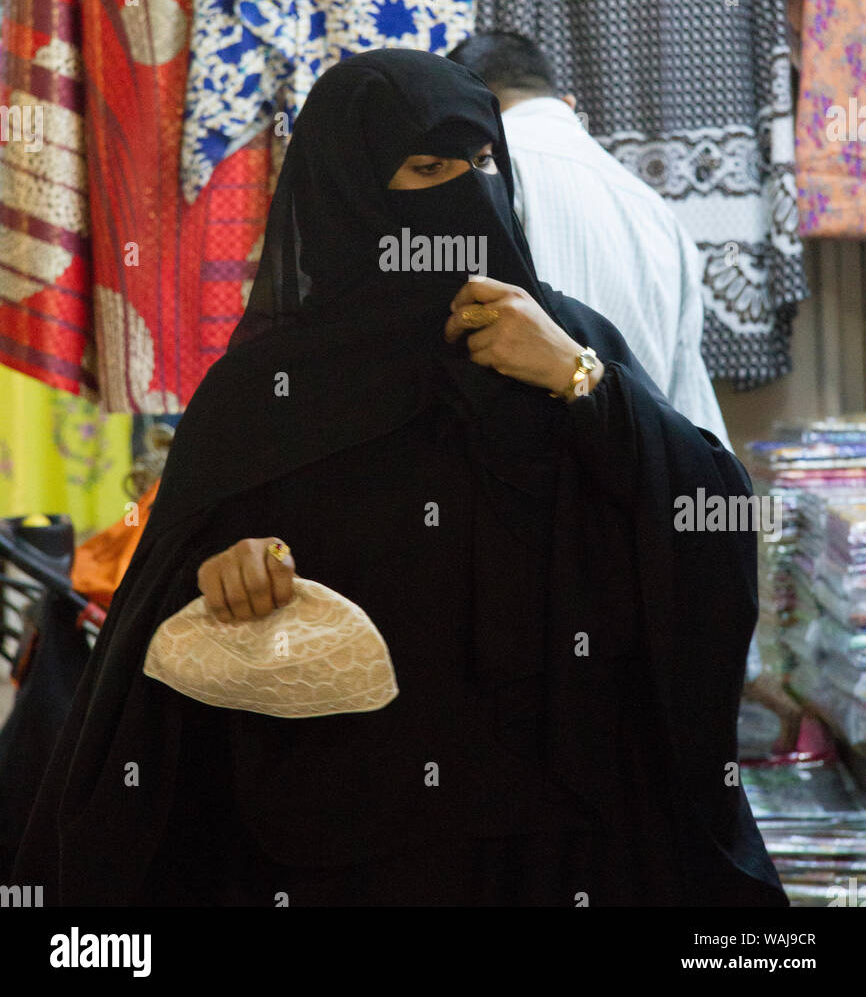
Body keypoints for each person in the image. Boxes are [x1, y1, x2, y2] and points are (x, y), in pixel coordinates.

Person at [12, 49, 786, 908]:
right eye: (429, 166)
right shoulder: (266, 393)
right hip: (337, 848)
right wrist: (220, 576)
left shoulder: (562, 338)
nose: (468, 189)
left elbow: (709, 518)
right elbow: (158, 619)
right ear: (350, 187)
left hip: (563, 844)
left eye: (483, 160)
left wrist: (581, 382)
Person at [448, 32, 731, 447]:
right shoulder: (659, 214)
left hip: (532, 480)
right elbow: (689, 409)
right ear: (567, 106)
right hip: (641, 476)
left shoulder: (485, 177)